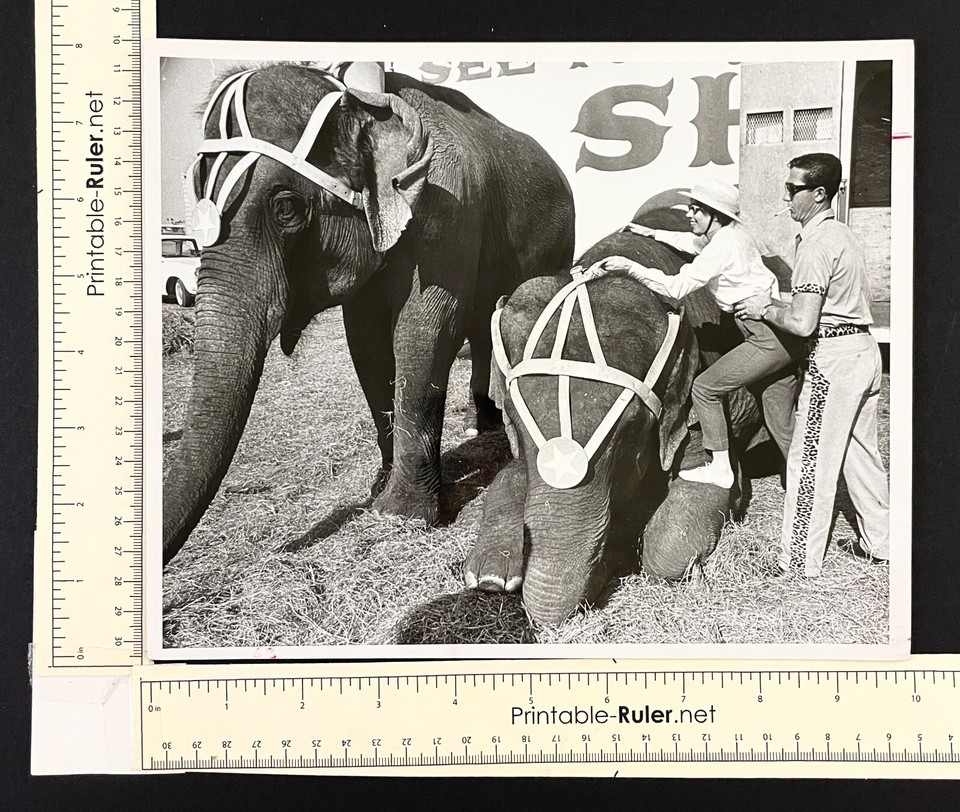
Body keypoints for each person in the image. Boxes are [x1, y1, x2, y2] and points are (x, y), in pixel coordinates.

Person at [585, 179, 801, 488]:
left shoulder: (723, 246)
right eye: (691, 208)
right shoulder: (732, 236)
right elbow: (691, 243)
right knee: (780, 422)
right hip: (779, 334)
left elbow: (677, 287)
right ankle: (812, 483)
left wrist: (629, 267)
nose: (690, 214)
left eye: (697, 210)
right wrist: (651, 233)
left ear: (716, 215)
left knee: (705, 387)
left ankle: (720, 467)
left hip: (764, 334)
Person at [733, 153, 889, 577]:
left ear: (819, 194)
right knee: (860, 456)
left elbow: (803, 322)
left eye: (792, 189)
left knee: (809, 463)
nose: (787, 198)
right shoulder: (842, 234)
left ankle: (799, 563)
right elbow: (824, 305)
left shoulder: (816, 242)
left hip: (834, 359)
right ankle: (882, 542)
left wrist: (765, 308)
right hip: (863, 351)